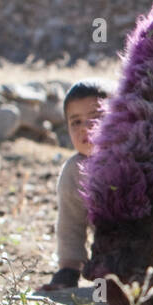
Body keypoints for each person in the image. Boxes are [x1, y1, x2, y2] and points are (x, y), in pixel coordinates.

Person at [37, 78, 114, 291]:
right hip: (112, 263)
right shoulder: (74, 171)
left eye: (96, 118)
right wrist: (68, 272)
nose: (85, 128)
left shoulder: (140, 160)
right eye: (76, 122)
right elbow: (70, 226)